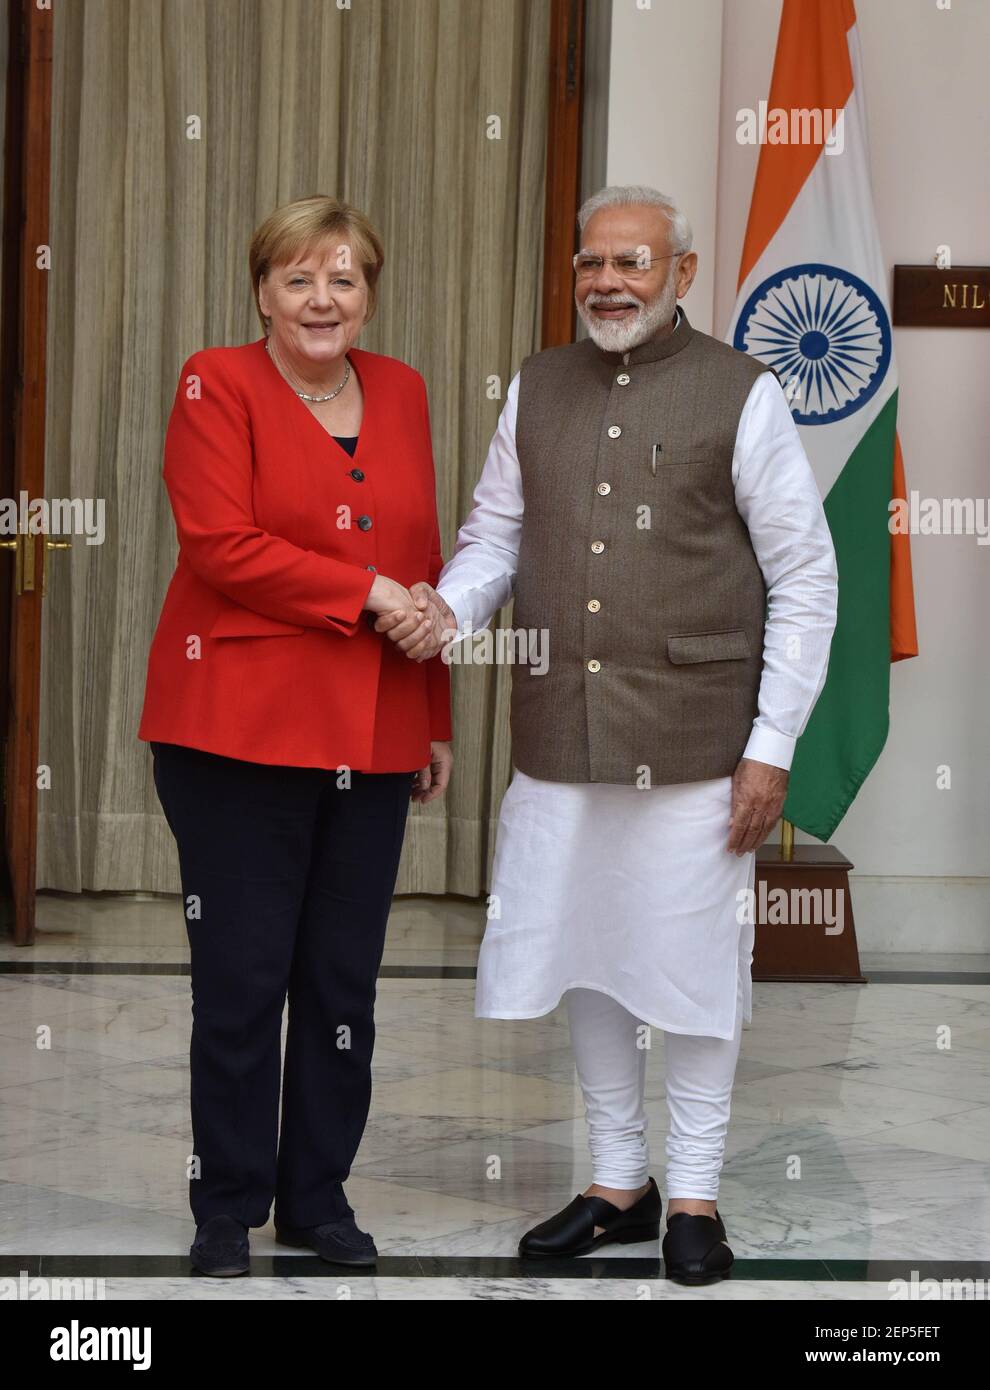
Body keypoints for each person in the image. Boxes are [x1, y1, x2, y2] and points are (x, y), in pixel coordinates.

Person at [379, 185, 838, 1283]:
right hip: (559, 734)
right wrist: (453, 608)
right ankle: (617, 1180)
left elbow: (806, 578)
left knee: (691, 967)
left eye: (634, 262)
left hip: (697, 743)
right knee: (583, 951)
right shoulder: (538, 384)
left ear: (682, 273)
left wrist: (772, 743)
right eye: (592, 263)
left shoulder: (745, 392)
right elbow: (496, 532)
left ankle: (693, 1194)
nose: (608, 282)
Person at [138, 194, 452, 1277]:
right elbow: (221, 545)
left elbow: (426, 555)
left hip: (374, 731)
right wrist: (369, 592)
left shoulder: (404, 390)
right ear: (262, 292)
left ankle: (317, 1196)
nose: (323, 299)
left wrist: (435, 710)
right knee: (241, 976)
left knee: (341, 983)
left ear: (369, 292)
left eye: (345, 278)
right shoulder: (214, 382)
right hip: (234, 733)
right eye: (299, 278)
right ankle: (225, 1202)